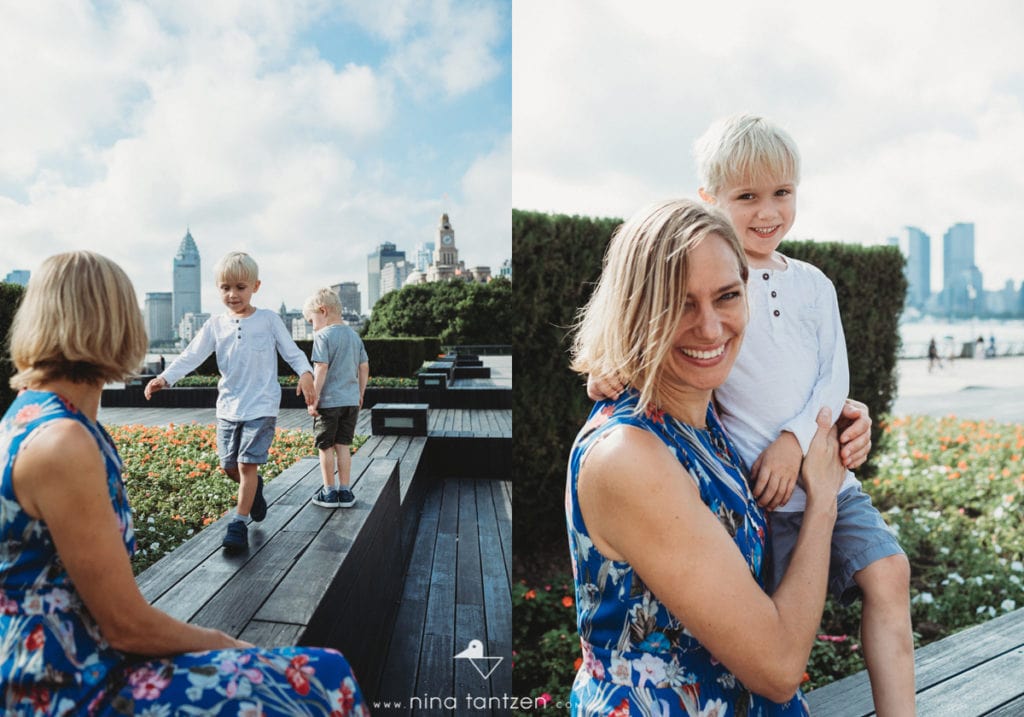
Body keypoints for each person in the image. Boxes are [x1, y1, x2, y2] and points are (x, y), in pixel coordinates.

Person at [589, 114, 914, 716]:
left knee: (890, 573)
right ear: (711, 201)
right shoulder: (636, 445)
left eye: (782, 193)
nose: (768, 211)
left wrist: (815, 431)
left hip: (823, 478)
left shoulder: (811, 286)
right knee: (781, 629)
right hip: (769, 502)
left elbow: (829, 373)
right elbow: (649, 341)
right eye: (747, 196)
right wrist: (612, 366)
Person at [0, 251, 366, 715]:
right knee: (328, 679)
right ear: (114, 326)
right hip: (65, 685)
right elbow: (125, 627)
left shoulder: (29, 418)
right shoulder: (64, 443)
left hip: (56, 665)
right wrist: (225, 644)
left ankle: (246, 506)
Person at [568, 199, 848, 714]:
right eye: (680, 303)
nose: (712, 328)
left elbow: (790, 399)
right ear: (637, 308)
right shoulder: (630, 456)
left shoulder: (700, 409)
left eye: (727, 296)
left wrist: (838, 421)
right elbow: (781, 667)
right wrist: (824, 500)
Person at [145, 251, 316, 552]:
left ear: (255, 287)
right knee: (228, 466)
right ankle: (255, 490)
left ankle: (237, 523)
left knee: (246, 464)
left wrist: (305, 373)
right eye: (225, 287)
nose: (232, 294)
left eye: (240, 287)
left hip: (261, 406)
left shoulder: (268, 320)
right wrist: (165, 378)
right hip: (228, 408)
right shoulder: (215, 324)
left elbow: (292, 352)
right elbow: (192, 355)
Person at [302, 288, 369, 509]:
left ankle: (329, 493)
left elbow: (321, 367)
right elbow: (364, 367)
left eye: (312, 320)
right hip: (350, 402)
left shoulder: (322, 336)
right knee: (343, 445)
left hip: (329, 402)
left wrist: (314, 398)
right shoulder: (354, 336)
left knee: (325, 447)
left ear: (323, 311)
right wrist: (360, 393)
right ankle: (345, 491)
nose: (312, 325)